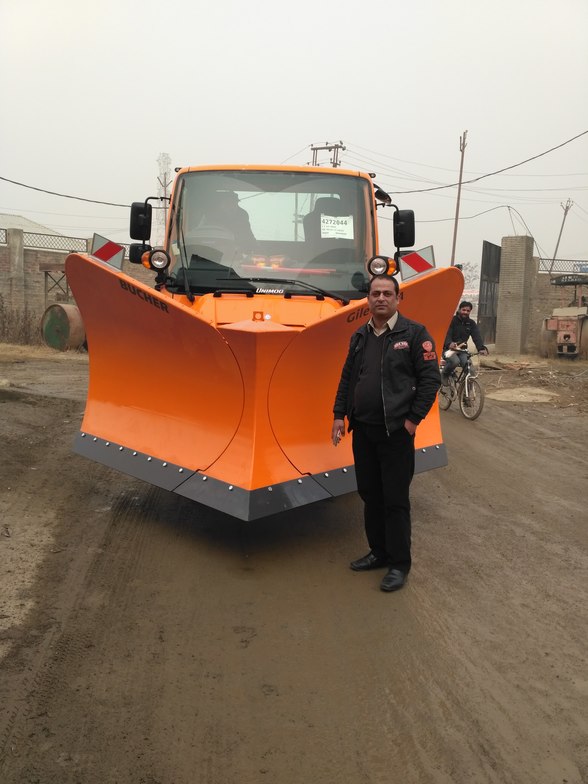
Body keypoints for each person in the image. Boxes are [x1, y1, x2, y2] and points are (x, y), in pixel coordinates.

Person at [331, 274, 441, 592]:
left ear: (397, 298)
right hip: (363, 431)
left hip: (396, 434)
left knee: (395, 500)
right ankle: (378, 552)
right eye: (375, 293)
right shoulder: (360, 337)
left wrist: (412, 420)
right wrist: (339, 415)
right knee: (370, 495)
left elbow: (431, 380)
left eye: (387, 293)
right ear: (367, 298)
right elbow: (347, 378)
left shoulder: (415, 333)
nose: (381, 298)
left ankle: (399, 564)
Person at [441, 301, 488, 381]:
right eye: (463, 310)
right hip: (449, 350)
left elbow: (476, 336)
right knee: (455, 361)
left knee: (470, 370)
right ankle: (444, 375)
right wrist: (449, 343)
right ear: (459, 310)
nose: (465, 312)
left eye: (468, 311)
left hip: (462, 350)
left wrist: (481, 348)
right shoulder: (451, 321)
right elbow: (446, 334)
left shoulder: (471, 323)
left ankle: (465, 391)